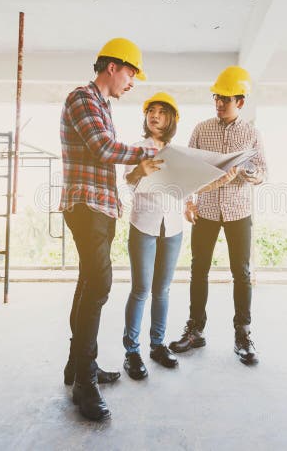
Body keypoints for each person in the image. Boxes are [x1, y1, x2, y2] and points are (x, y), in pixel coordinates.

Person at [59, 37, 162, 421]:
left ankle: (78, 366)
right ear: (113, 67)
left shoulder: (102, 106)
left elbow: (106, 153)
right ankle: (85, 384)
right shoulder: (82, 98)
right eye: (132, 73)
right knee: (100, 285)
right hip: (85, 205)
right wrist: (149, 152)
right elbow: (104, 148)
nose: (132, 82)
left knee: (89, 283)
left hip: (100, 207)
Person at [169, 66, 267, 365]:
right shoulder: (201, 129)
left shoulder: (251, 134)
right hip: (207, 210)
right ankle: (195, 330)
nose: (219, 104)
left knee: (242, 273)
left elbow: (263, 172)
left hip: (238, 211)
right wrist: (188, 202)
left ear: (240, 101)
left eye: (225, 99)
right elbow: (187, 170)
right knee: (199, 269)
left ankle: (243, 334)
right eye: (216, 98)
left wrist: (247, 172)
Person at [121, 92, 183, 380]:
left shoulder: (178, 153)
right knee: (141, 289)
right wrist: (138, 171)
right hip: (143, 224)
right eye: (151, 111)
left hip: (173, 226)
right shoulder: (136, 149)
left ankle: (157, 346)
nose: (154, 115)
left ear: (171, 119)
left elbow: (184, 187)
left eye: (161, 111)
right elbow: (127, 184)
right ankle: (132, 352)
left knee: (163, 290)